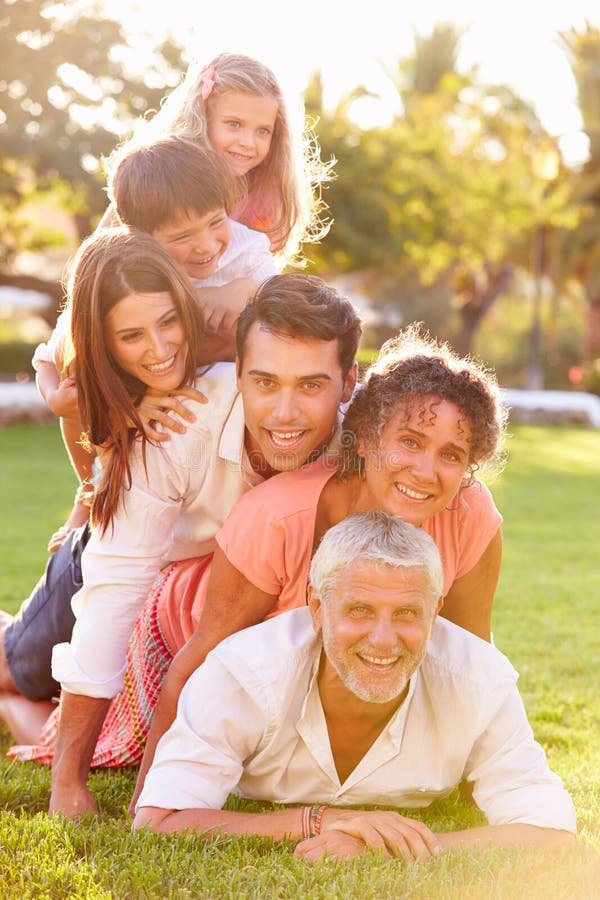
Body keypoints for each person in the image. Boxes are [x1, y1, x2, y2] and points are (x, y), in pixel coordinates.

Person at [2, 269, 361, 819]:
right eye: (265, 382)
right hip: (109, 563)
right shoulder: (178, 426)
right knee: (19, 669)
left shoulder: (365, 444)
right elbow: (114, 592)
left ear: (348, 382)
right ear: (238, 372)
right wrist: (68, 784)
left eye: (311, 385)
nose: (285, 413)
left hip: (202, 594)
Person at [111, 321, 507, 814]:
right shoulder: (277, 517)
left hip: (296, 669)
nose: (426, 472)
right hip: (176, 630)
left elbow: (469, 655)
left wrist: (485, 782)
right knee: (107, 737)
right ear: (363, 438)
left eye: (450, 454)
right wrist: (150, 798)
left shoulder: (469, 516)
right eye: (409, 441)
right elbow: (201, 657)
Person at [134, 511, 576, 861]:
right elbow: (158, 821)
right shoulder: (245, 672)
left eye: (407, 613)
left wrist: (388, 848)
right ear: (317, 607)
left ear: (435, 610)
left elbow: (550, 831)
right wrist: (321, 821)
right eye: (360, 609)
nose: (383, 640)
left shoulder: (480, 680)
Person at [35, 50, 331, 549]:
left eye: (263, 131)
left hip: (206, 332)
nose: (248, 143)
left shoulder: (260, 195)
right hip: (142, 315)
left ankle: (245, 495)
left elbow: (265, 277)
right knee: (75, 383)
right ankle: (90, 496)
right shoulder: (154, 180)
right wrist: (66, 359)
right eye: (234, 124)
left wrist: (243, 293)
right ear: (202, 116)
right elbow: (95, 266)